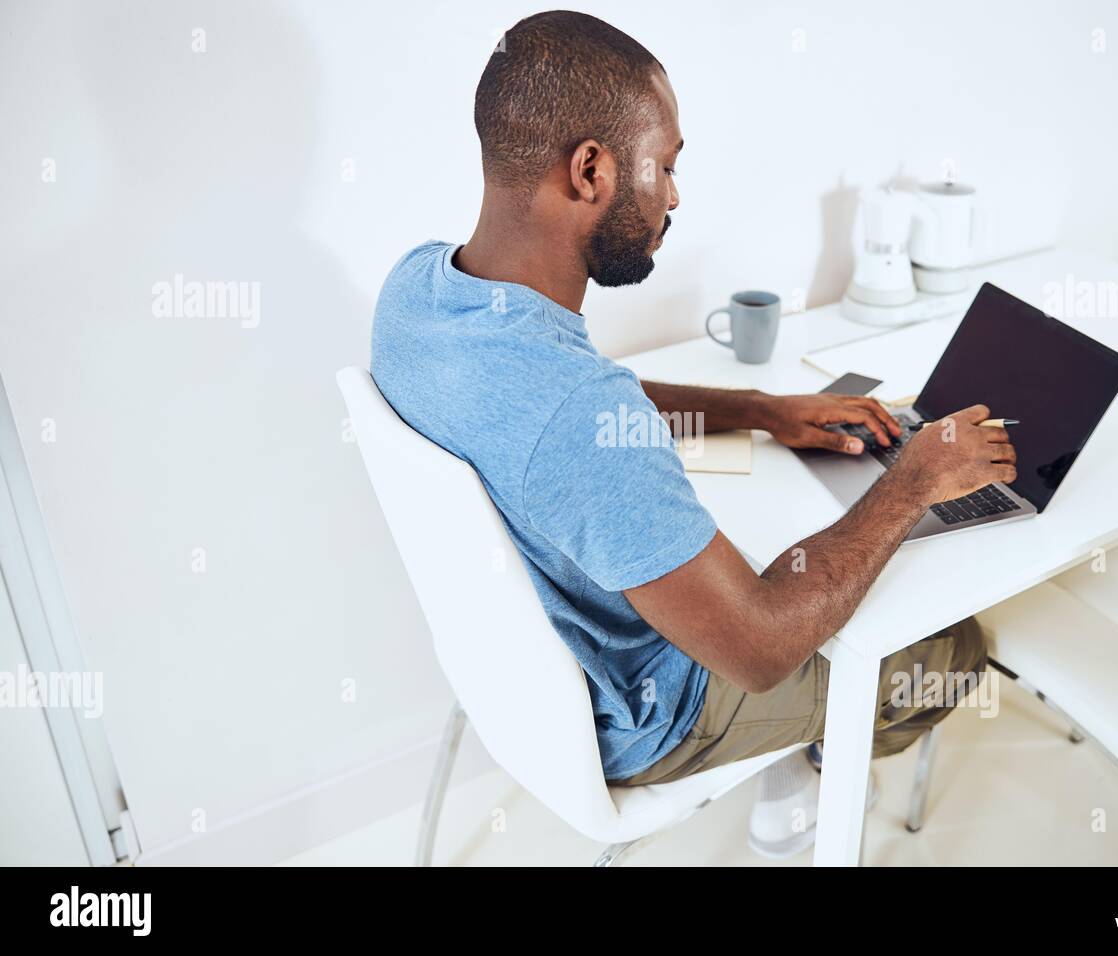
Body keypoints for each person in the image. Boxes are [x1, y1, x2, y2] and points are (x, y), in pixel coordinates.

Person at [371, 10, 1012, 858]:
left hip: (519, 673)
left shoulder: (417, 290)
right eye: (665, 166)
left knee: (777, 530)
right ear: (591, 171)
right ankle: (795, 778)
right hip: (651, 711)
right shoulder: (575, 416)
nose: (673, 196)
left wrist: (763, 411)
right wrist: (914, 481)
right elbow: (758, 646)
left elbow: (577, 403)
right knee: (958, 646)